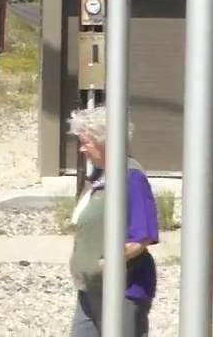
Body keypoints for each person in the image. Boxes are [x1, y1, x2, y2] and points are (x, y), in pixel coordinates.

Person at [68, 106, 158, 336]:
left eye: (85, 142)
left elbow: (143, 236)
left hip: (123, 290)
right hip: (91, 290)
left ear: (104, 142)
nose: (81, 149)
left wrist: (108, 261)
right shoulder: (100, 174)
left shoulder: (131, 177)